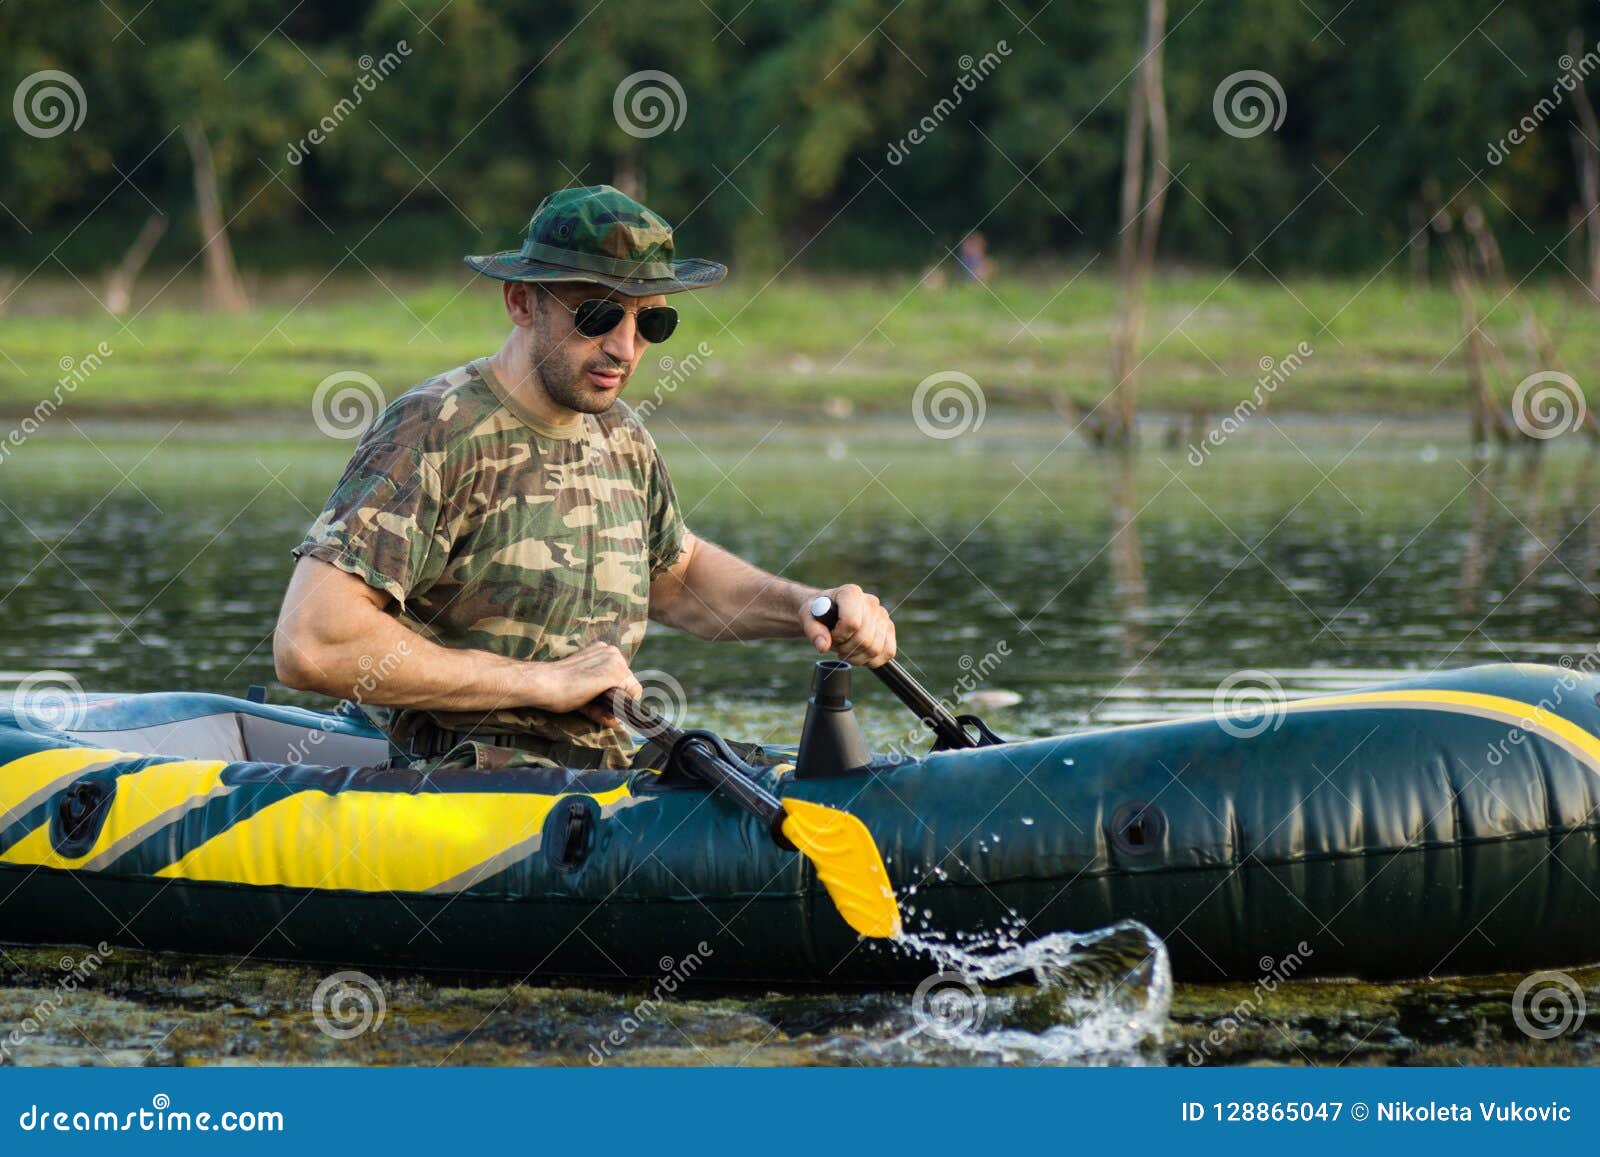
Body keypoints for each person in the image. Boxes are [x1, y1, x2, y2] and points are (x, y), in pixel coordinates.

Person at [273, 185, 897, 770]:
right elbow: (312, 642)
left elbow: (676, 580)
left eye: (651, 323)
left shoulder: (621, 434)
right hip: (463, 786)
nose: (625, 349)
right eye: (598, 315)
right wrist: (542, 683)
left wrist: (810, 607)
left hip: (598, 777)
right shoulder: (434, 429)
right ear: (521, 301)